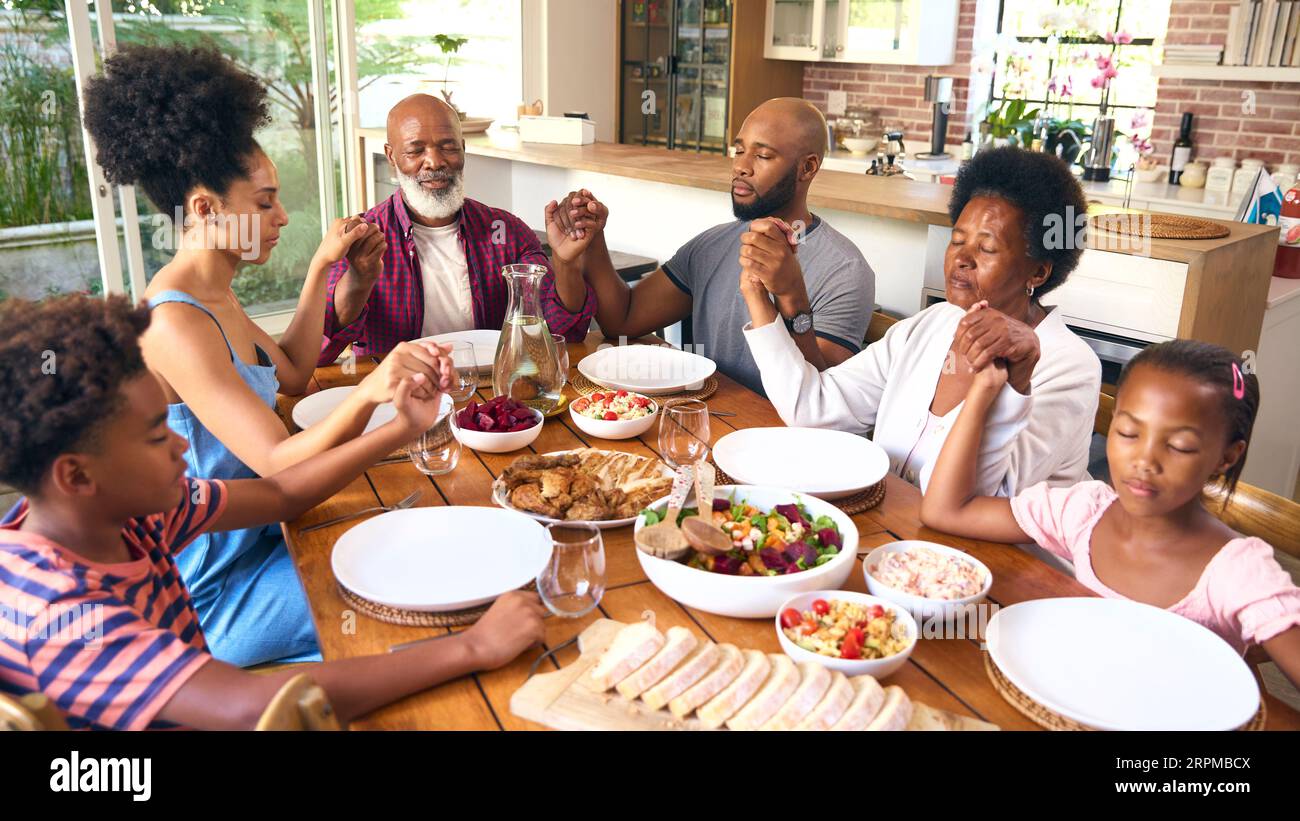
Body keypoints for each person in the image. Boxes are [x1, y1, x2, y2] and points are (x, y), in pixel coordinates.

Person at [0, 295, 547, 730]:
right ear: (76, 474)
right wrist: (473, 647)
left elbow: (281, 496)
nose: (181, 448)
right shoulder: (57, 615)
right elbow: (250, 707)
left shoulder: (115, 513)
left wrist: (401, 427)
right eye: (154, 436)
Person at [81, 44, 449, 665]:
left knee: (423, 540)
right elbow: (278, 462)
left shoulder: (212, 289)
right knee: (421, 591)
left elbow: (292, 374)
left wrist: (322, 269)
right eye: (264, 201)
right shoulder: (175, 320)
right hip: (224, 587)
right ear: (204, 208)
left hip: (272, 536)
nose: (281, 215)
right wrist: (369, 391)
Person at [920, 338, 1300, 686]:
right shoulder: (1084, 511)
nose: (1144, 461)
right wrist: (983, 391)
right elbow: (947, 510)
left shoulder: (1237, 570)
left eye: (1180, 446)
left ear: (1227, 457)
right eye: (1129, 434)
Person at [743, 147, 1101, 495]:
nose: (961, 258)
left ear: (1038, 271)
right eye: (957, 240)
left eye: (986, 248)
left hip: (996, 555)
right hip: (898, 531)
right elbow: (815, 407)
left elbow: (986, 496)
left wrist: (998, 388)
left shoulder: (1068, 366)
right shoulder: (933, 323)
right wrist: (759, 296)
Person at [545, 98, 875, 395]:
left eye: (762, 155)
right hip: (707, 423)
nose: (741, 166)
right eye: (739, 150)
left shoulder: (845, 270)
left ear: (807, 168)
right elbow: (624, 319)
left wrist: (792, 298)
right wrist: (594, 239)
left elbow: (820, 399)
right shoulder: (713, 245)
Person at [317, 93, 597, 365]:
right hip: (397, 399)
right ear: (391, 156)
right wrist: (358, 278)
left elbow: (565, 333)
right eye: (416, 150)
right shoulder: (364, 239)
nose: (435, 162)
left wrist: (566, 262)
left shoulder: (507, 232)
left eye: (448, 147)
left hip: (490, 396)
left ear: (463, 148)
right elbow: (320, 352)